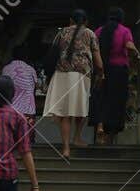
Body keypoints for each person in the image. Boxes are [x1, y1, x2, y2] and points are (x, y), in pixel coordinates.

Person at [43, 8, 102, 159]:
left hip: (61, 74)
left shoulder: (61, 32)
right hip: (81, 75)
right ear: (86, 22)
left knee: (64, 114)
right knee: (80, 107)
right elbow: (98, 61)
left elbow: (52, 53)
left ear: (70, 20)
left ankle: (66, 149)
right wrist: (101, 74)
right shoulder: (90, 34)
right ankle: (77, 137)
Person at [90, 6, 139, 144]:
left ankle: (100, 126)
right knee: (115, 101)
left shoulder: (99, 31)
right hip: (118, 71)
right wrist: (137, 54)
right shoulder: (124, 31)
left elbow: (92, 50)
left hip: (101, 70)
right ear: (121, 18)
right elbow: (129, 46)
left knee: (100, 97)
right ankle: (110, 135)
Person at [1, 45, 38, 146]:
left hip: (11, 108)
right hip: (28, 109)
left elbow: (3, 86)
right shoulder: (31, 69)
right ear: (27, 57)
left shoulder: (6, 69)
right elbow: (35, 87)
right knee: (28, 137)